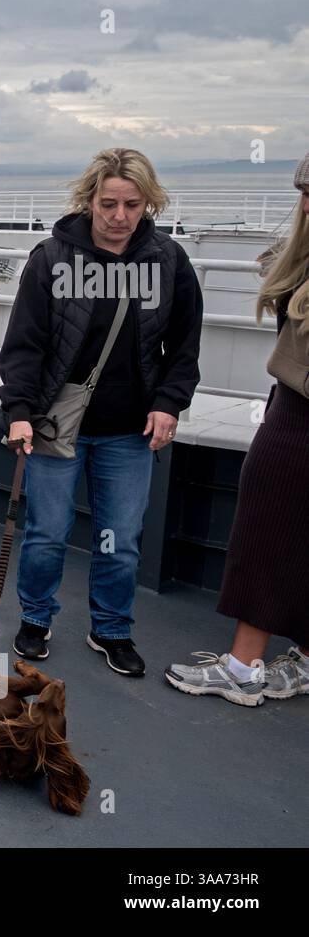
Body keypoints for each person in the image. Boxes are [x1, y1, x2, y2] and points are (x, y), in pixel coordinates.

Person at [0, 148, 204, 677]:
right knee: (46, 532)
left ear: (147, 203)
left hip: (129, 430)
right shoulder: (51, 258)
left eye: (132, 204)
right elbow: (25, 343)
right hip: (56, 423)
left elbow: (183, 346)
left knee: (120, 539)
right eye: (108, 203)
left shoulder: (168, 261)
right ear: (88, 200)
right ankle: (36, 620)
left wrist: (169, 404)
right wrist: (18, 410)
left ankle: (111, 628)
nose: (119, 216)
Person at [165, 154, 309, 705]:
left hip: (299, 415)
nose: (304, 202)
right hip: (291, 406)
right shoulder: (300, 253)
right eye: (302, 190)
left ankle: (244, 668)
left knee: (263, 530)